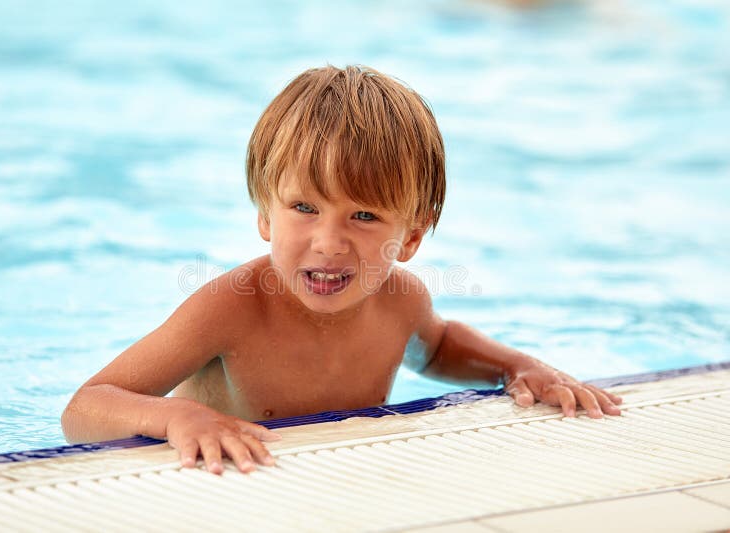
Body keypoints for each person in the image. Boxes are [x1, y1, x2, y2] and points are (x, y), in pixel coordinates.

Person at [61, 65, 623, 475]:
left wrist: (516, 366)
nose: (328, 243)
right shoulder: (230, 308)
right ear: (264, 216)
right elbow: (85, 407)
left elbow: (439, 347)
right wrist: (177, 417)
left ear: (409, 237)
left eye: (364, 216)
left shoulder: (401, 301)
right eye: (304, 208)